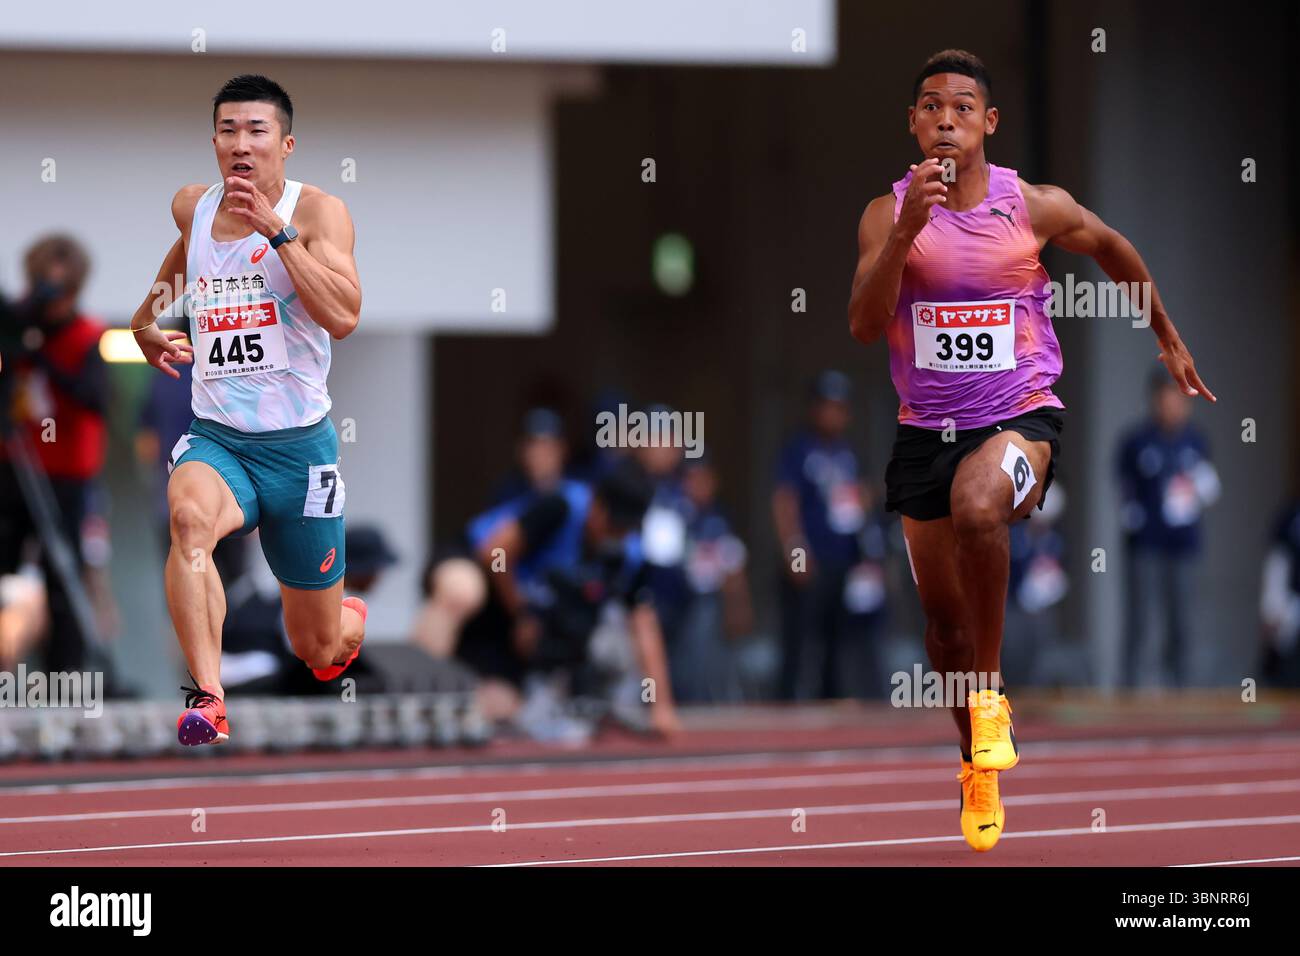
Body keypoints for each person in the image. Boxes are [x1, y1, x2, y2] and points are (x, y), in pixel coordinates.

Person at [846, 50, 1215, 851]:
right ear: (913, 123)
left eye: (963, 107)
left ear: (988, 123)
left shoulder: (1032, 207)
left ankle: (991, 700)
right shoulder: (887, 213)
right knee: (942, 634)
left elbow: (1112, 247)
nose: (947, 119)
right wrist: (909, 230)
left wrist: (1166, 333)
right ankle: (975, 762)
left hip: (1020, 419)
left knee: (982, 506)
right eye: (932, 106)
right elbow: (866, 324)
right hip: (923, 436)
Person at [130, 74, 366, 746]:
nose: (242, 144)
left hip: (299, 452)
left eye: (256, 131)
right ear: (213, 142)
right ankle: (208, 695)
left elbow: (345, 316)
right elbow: (187, 258)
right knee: (187, 520)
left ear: (285, 144)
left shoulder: (320, 213)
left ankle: (347, 618)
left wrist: (280, 234)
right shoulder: (193, 206)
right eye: (229, 130)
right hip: (220, 439)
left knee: (315, 647)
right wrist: (147, 319)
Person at [0, 235, 110, 674]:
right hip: (13, 466)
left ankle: (63, 677)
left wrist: (41, 359)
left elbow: (95, 399)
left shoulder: (87, 335)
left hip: (66, 475)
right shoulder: (16, 325)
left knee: (61, 578)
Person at [1116, 368, 1220, 687]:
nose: (1173, 404)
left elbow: (1208, 486)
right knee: (1140, 620)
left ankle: (1181, 692)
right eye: (1167, 396)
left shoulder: (1196, 441)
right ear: (1155, 399)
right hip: (1145, 545)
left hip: (1184, 545)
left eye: (1180, 398)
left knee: (1183, 621)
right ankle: (1131, 691)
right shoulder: (1135, 442)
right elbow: (1125, 490)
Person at [772, 370, 870, 700]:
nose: (834, 414)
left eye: (840, 407)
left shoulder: (848, 453)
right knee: (799, 638)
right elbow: (785, 500)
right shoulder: (798, 449)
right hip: (808, 559)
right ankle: (788, 704)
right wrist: (793, 549)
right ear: (814, 408)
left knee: (837, 639)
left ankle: (832, 705)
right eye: (827, 406)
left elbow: (860, 500)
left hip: (841, 559)